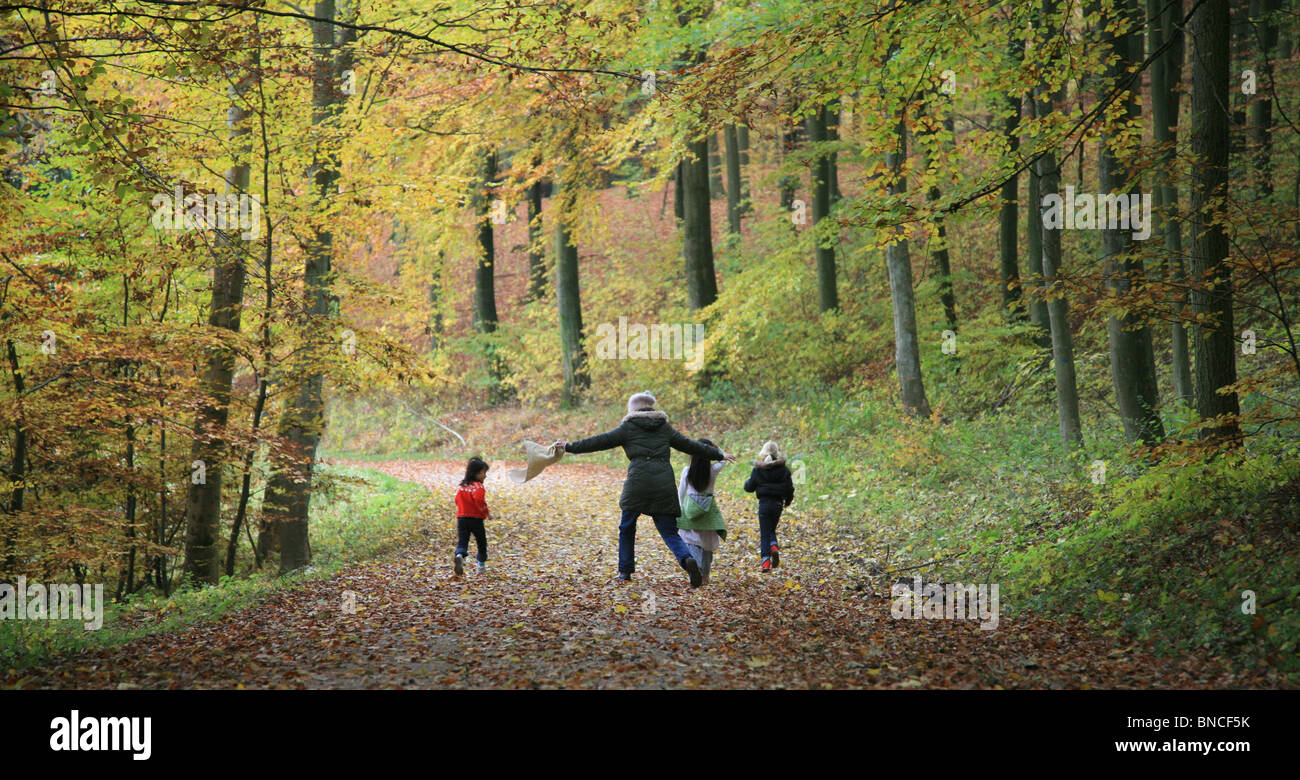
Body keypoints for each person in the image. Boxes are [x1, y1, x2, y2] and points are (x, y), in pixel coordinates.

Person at [555, 391, 733, 587]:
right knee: (669, 531)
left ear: (633, 409)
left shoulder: (628, 428)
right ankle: (686, 559)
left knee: (627, 526)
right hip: (663, 484)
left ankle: (625, 571)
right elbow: (690, 445)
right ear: (651, 408)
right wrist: (717, 454)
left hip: (637, 484)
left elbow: (599, 441)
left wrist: (570, 447)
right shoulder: (664, 428)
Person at [676, 438, 728, 585]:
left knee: (692, 540)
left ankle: (696, 567)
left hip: (691, 508)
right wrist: (715, 447)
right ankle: (705, 575)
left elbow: (681, 493)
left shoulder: (687, 471)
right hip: (707, 509)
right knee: (707, 543)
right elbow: (723, 460)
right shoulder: (713, 470)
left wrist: (682, 509)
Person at [743, 441, 794, 572]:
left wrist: (748, 481)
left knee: (765, 533)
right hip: (777, 504)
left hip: (764, 504)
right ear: (777, 453)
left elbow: (749, 487)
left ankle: (765, 562)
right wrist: (788, 501)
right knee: (770, 529)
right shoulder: (784, 470)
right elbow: (789, 488)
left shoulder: (758, 470)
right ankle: (774, 547)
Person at [453, 456, 490, 576]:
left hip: (462, 518)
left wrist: (463, 509)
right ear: (475, 473)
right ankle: (481, 566)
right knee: (481, 542)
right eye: (483, 473)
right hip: (476, 519)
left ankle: (460, 556)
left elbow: (457, 500)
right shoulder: (478, 487)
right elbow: (479, 500)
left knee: (463, 541)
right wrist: (486, 512)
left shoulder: (462, 486)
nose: (485, 476)